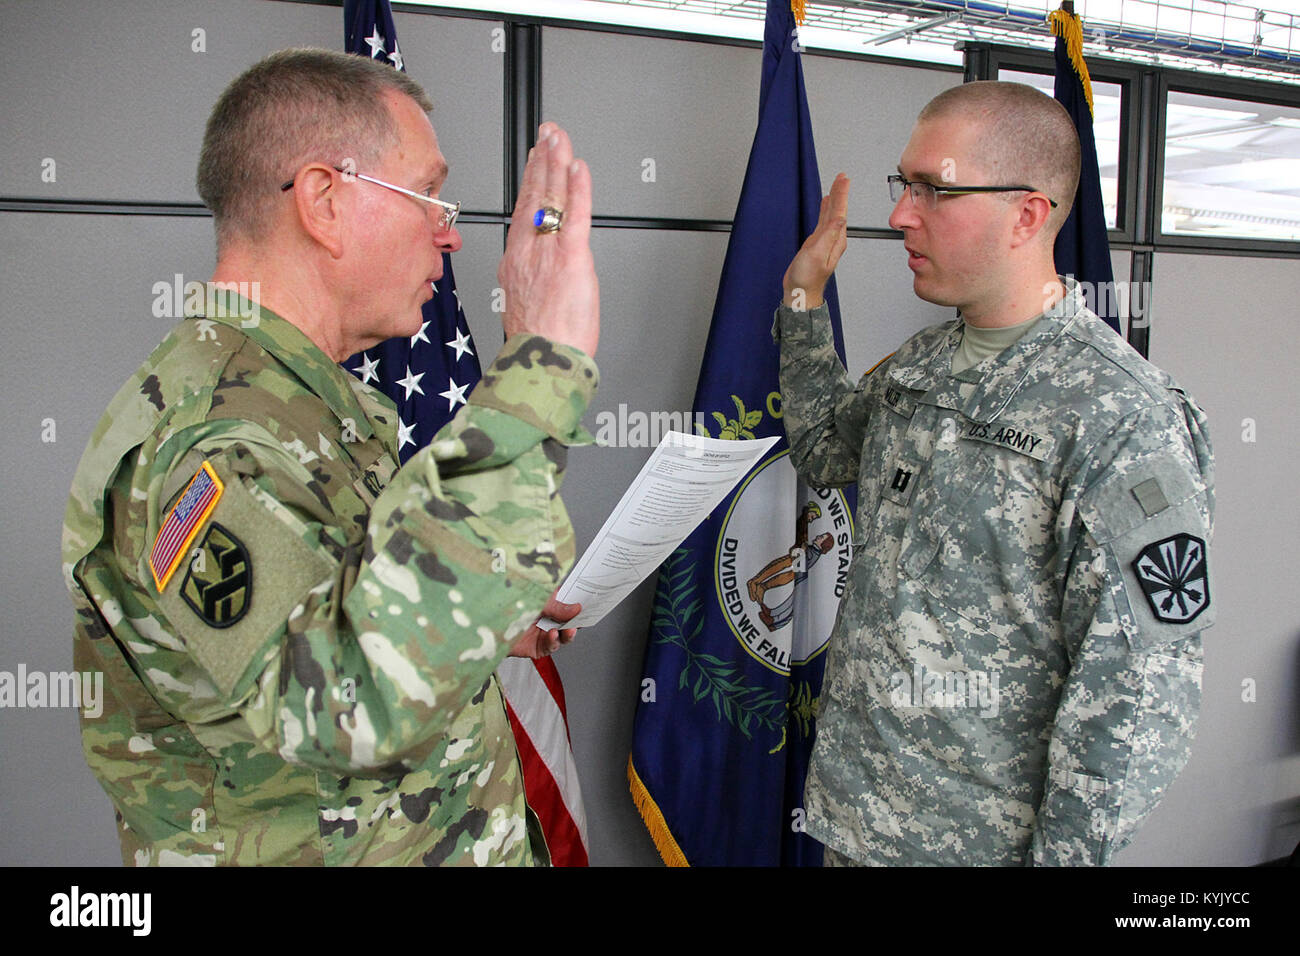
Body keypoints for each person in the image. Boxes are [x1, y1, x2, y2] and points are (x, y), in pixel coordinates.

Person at [61, 48, 600, 866]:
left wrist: (475, 624)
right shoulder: (205, 440)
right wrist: (539, 363)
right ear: (322, 200)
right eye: (428, 194)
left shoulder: (324, 402)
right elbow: (344, 704)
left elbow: (345, 606)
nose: (448, 232)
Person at [773, 81, 1213, 866]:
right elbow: (825, 453)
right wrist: (803, 300)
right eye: (903, 186)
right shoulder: (922, 368)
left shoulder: (1121, 418)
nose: (902, 214)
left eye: (934, 190)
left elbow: (1139, 697)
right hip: (853, 821)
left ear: (1028, 214)